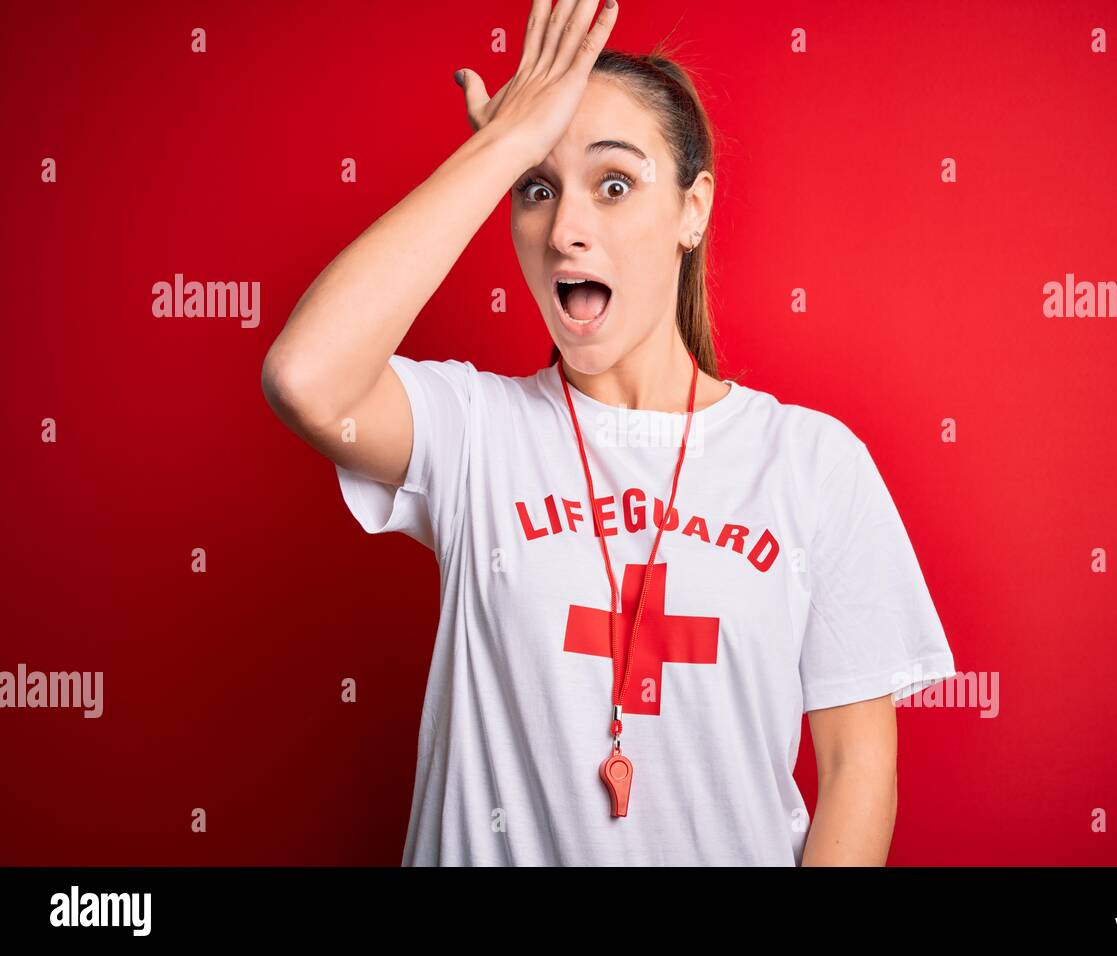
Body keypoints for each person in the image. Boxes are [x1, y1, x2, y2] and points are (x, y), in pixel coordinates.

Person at [261, 0, 956, 866]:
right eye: (538, 191)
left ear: (691, 212)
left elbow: (858, 768)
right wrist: (502, 146)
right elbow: (305, 378)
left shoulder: (815, 463)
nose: (565, 231)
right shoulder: (475, 431)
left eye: (615, 185)